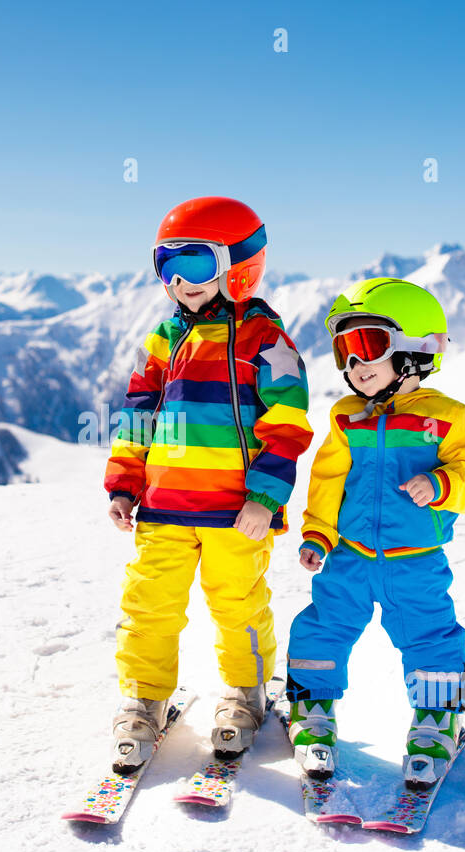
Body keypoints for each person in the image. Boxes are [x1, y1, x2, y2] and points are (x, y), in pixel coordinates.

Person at [103, 196, 313, 774]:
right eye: (165, 265)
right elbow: (137, 416)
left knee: (238, 606)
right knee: (149, 606)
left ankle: (247, 692)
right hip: (164, 509)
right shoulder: (163, 341)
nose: (179, 281)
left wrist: (265, 496)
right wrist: (124, 484)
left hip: (235, 514)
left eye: (195, 264)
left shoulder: (265, 341)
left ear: (237, 265)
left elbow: (288, 424)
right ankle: (145, 697)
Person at [285, 277, 465, 790]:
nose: (354, 364)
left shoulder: (448, 419)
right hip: (349, 557)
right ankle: (312, 712)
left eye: (368, 346)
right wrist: (318, 535)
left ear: (416, 350)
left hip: (415, 560)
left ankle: (437, 722)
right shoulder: (346, 417)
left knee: (430, 638)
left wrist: (443, 483)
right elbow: (329, 480)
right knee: (323, 627)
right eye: (344, 350)